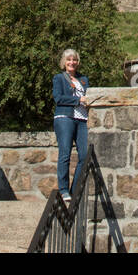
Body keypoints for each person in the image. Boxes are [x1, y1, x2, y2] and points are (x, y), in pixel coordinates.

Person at [52, 48, 90, 203]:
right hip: (64, 118)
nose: (71, 62)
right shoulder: (59, 78)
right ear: (64, 62)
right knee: (65, 154)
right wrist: (78, 100)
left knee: (84, 155)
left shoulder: (83, 80)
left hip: (82, 120)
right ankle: (63, 190)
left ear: (77, 62)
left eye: (74, 60)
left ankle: (74, 190)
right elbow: (58, 98)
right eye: (68, 60)